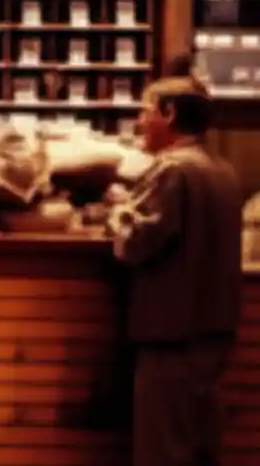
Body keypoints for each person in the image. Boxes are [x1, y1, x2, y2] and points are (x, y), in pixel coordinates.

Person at [112, 76, 243, 466]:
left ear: (168, 114)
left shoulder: (172, 171)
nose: (139, 120)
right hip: (213, 333)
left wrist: (119, 214)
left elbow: (135, 244)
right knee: (198, 448)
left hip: (171, 336)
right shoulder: (223, 171)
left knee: (162, 450)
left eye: (146, 110)